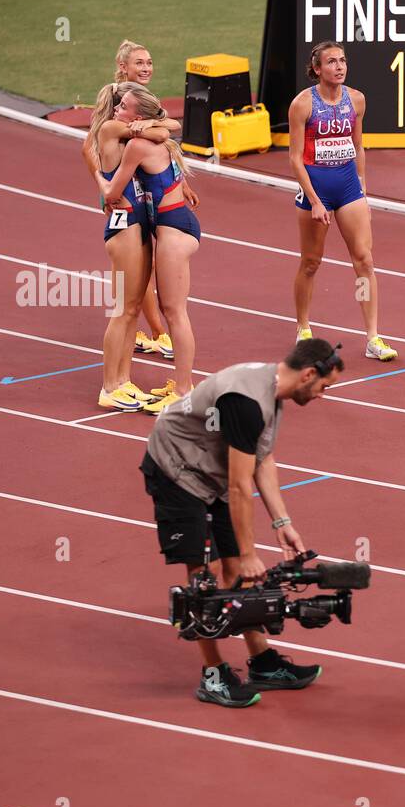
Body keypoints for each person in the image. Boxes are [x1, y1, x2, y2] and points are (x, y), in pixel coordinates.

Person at [140, 338, 345, 706]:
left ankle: (262, 663)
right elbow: (238, 485)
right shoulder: (247, 402)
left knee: (237, 569)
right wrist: (252, 551)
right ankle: (213, 675)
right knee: (206, 574)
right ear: (309, 374)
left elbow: (262, 460)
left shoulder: (272, 390)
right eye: (324, 387)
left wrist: (282, 521)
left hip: (209, 472)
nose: (322, 395)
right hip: (177, 471)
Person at [80, 40, 199, 362]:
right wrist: (103, 185)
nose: (146, 68)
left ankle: (148, 330)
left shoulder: (138, 102)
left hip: (141, 193)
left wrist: (179, 181)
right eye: (139, 63)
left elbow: (167, 131)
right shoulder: (117, 104)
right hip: (123, 196)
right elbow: (90, 146)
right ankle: (158, 332)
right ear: (123, 68)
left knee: (143, 267)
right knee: (135, 273)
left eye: (149, 62)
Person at [288, 40, 397, 362]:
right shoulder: (302, 104)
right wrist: (315, 201)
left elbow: (358, 146)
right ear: (318, 69)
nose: (339, 66)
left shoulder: (357, 100)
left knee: (364, 260)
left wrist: (363, 190)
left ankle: (373, 337)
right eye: (332, 62)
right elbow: (295, 159)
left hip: (349, 187)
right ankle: (303, 328)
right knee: (311, 262)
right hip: (315, 188)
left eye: (343, 61)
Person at [102, 82, 199, 414]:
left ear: (138, 116)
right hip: (175, 225)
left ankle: (184, 391)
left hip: (172, 229)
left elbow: (114, 190)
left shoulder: (137, 146)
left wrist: (101, 186)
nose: (117, 108)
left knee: (174, 313)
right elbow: (168, 126)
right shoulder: (159, 140)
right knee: (169, 311)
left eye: (124, 105)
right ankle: (179, 386)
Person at [87, 82, 162, 411]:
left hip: (140, 222)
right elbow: (163, 132)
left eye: (124, 106)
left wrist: (153, 121)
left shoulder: (130, 132)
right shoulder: (109, 129)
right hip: (124, 225)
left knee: (132, 310)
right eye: (118, 105)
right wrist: (152, 122)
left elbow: (166, 127)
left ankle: (123, 380)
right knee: (121, 310)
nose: (119, 111)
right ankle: (108, 386)